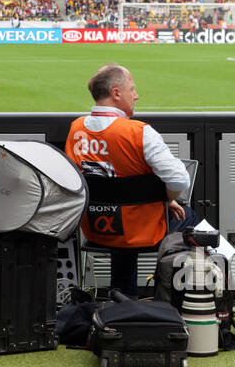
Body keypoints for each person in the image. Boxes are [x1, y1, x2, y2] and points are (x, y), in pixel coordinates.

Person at [64, 64, 190, 297]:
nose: (136, 95)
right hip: (140, 231)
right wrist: (166, 199)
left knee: (123, 223)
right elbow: (180, 181)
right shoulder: (139, 132)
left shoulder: (76, 129)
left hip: (95, 229)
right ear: (116, 93)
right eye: (132, 89)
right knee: (189, 218)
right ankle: (175, 303)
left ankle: (122, 301)